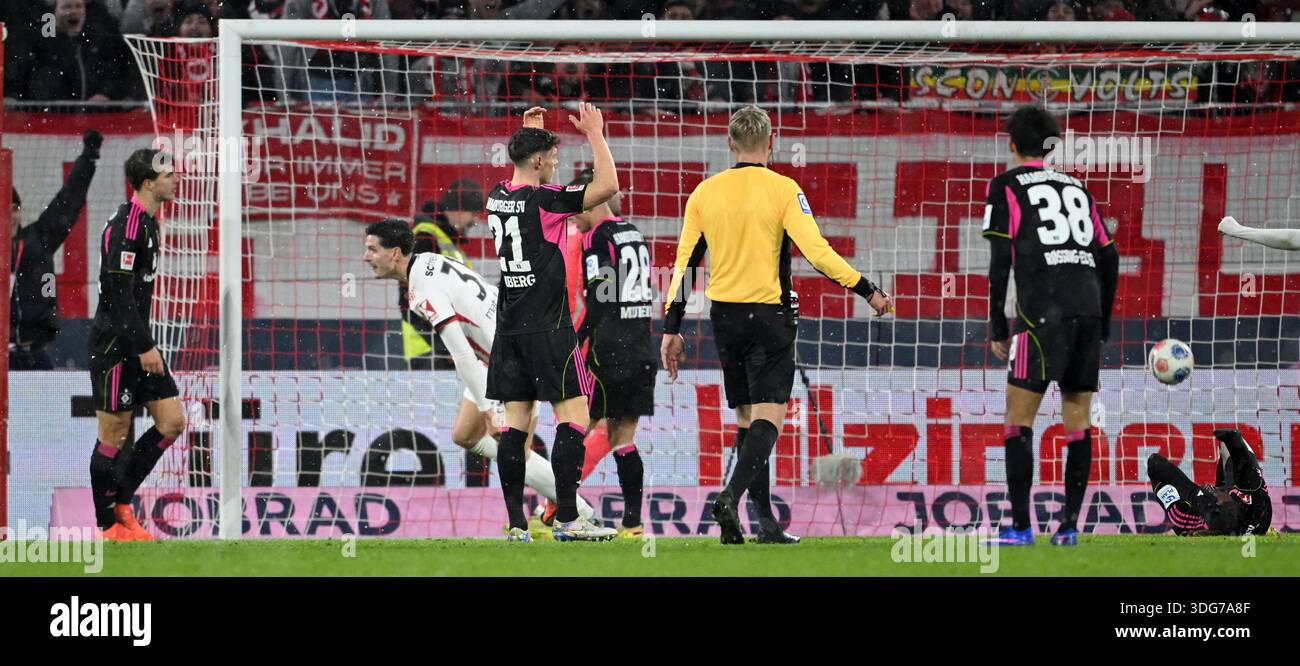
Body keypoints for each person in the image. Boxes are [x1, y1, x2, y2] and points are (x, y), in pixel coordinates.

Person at [662, 105, 892, 545]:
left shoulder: (704, 194)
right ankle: (729, 497)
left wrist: (671, 328)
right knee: (770, 417)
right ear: (772, 142)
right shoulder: (784, 188)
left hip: (725, 319)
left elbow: (685, 265)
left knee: (749, 419)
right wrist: (866, 289)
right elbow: (817, 252)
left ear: (730, 144)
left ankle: (765, 524)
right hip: (769, 316)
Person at [362, 219, 601, 528]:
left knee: (518, 452)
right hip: (498, 347)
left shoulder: (422, 291)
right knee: (465, 434)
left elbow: (461, 353)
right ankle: (566, 507)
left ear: (395, 253)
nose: (366, 257)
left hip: (516, 356)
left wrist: (489, 409)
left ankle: (578, 511)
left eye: (372, 250)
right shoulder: (428, 261)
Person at [983, 105, 1120, 546]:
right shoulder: (1078, 188)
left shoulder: (1006, 186)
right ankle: (1068, 529)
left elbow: (1001, 259)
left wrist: (997, 325)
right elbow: (1110, 255)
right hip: (1087, 309)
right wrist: (1104, 320)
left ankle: (1021, 527)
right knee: (1077, 419)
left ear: (1010, 144)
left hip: (1040, 316)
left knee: (1017, 418)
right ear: (1053, 145)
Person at [483, 104, 619, 542]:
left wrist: (531, 132)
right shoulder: (546, 202)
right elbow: (608, 187)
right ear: (539, 161)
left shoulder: (496, 195)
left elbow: (524, 172)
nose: (559, 164)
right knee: (574, 419)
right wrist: (596, 133)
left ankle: (516, 526)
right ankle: (567, 519)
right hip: (549, 325)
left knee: (515, 426)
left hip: (510, 327)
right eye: (554, 158)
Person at [87, 149, 188, 541]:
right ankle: (107, 524)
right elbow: (117, 293)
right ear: (149, 182)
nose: (176, 180)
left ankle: (123, 503)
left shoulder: (149, 223)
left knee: (172, 423)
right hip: (115, 344)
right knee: (113, 433)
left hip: (139, 342)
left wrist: (145, 344)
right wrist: (145, 346)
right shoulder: (127, 225)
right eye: (170, 175)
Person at [10, 130, 101, 370]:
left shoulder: (38, 238)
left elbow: (68, 200)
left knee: (47, 407)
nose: (9, 214)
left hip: (37, 354)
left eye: (13, 207)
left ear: (19, 211)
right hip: (3, 359)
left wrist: (88, 160)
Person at [1148, 429, 1272, 536]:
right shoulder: (1253, 496)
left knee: (1156, 467)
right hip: (1251, 515)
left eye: (1213, 491)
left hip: (1221, 515)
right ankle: (1233, 440)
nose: (1209, 487)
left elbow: (1155, 463)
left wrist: (1168, 494)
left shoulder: (1190, 512)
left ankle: (1233, 440)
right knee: (1230, 448)